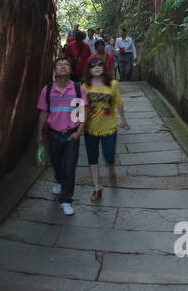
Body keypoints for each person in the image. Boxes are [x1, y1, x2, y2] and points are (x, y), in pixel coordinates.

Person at [39, 55, 85, 216]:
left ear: (71, 70)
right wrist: (39, 135)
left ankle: (66, 200)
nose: (63, 66)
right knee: (56, 163)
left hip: (71, 135)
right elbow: (43, 113)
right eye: (59, 65)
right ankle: (58, 179)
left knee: (70, 167)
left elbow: (81, 113)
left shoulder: (77, 89)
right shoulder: (47, 90)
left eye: (66, 64)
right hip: (53, 134)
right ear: (54, 71)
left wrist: (78, 132)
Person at [82, 58, 125, 204]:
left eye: (100, 65)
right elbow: (82, 107)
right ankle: (97, 187)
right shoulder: (84, 87)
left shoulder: (113, 84)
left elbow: (118, 102)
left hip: (109, 127)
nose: (96, 67)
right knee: (92, 157)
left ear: (104, 68)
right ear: (89, 70)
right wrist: (80, 125)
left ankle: (111, 170)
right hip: (90, 128)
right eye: (93, 66)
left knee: (109, 155)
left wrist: (123, 119)